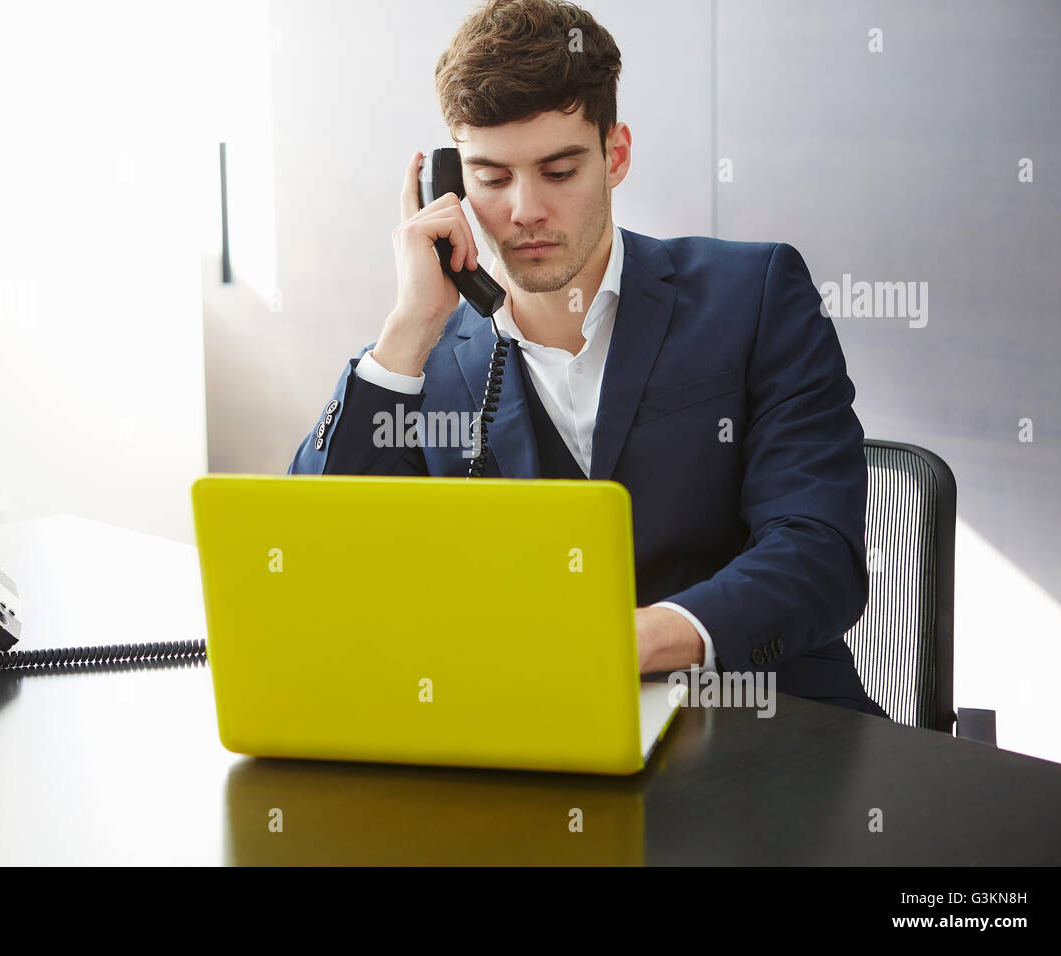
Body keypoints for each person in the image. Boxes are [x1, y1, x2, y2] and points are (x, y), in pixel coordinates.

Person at [288, 0, 886, 718]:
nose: (526, 210)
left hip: (765, 727)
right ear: (447, 185)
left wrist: (633, 641)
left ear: (616, 154)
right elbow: (313, 567)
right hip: (532, 735)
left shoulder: (754, 296)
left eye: (559, 170)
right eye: (492, 177)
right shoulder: (428, 358)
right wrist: (408, 329)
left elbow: (818, 553)